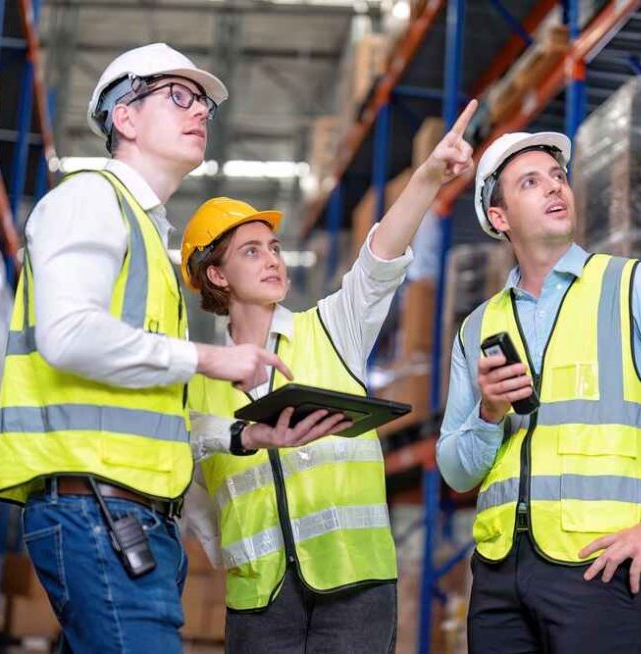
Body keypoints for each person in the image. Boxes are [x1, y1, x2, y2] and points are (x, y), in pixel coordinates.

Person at [0, 43, 307, 653]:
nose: (200, 112)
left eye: (204, 102)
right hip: (100, 511)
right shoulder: (89, 200)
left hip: (133, 517)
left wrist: (240, 437)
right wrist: (210, 358)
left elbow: (147, 412)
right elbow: (68, 335)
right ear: (124, 119)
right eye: (177, 96)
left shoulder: (145, 236)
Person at [437, 131, 641, 653]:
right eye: (531, 182)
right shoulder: (477, 327)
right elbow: (456, 471)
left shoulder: (633, 287)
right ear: (500, 218)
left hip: (600, 570)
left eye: (558, 177)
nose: (554, 188)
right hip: (498, 578)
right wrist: (489, 412)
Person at [181, 102, 478, 653]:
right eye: (252, 251)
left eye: (273, 247)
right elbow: (195, 501)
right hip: (259, 598)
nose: (273, 259)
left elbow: (380, 260)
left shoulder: (332, 329)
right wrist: (237, 558)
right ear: (217, 274)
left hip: (355, 584)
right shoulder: (197, 379)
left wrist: (429, 177)